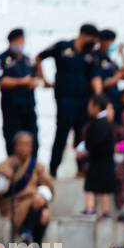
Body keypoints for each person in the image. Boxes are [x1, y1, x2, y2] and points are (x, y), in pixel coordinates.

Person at [38, 23, 98, 177]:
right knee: (62, 134)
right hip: (64, 99)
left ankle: (81, 169)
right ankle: (53, 169)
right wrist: (44, 79)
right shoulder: (62, 46)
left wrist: (98, 98)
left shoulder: (89, 55)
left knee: (80, 136)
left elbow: (94, 78)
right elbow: (39, 57)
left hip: (83, 101)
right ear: (85, 35)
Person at [0, 131, 54, 246]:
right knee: (35, 203)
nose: (24, 148)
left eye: (28, 144)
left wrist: (45, 205)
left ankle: (29, 234)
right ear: (15, 146)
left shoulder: (37, 166)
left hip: (34, 203)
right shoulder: (6, 164)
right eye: (21, 144)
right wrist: (4, 176)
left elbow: (48, 186)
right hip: (11, 204)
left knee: (43, 212)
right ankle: (27, 232)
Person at [0, 27, 41, 156]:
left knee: (33, 138)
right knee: (12, 139)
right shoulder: (2, 59)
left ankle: (31, 168)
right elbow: (0, 80)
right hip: (12, 108)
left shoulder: (27, 59)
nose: (20, 43)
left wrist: (34, 82)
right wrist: (21, 82)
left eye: (22, 40)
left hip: (28, 106)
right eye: (17, 41)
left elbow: (34, 77)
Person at [81, 92, 116, 217]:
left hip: (98, 160)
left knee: (91, 186)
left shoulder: (99, 123)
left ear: (96, 106)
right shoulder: (106, 123)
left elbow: (94, 141)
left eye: (90, 105)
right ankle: (105, 210)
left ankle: (90, 207)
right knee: (104, 187)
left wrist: (86, 148)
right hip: (105, 160)